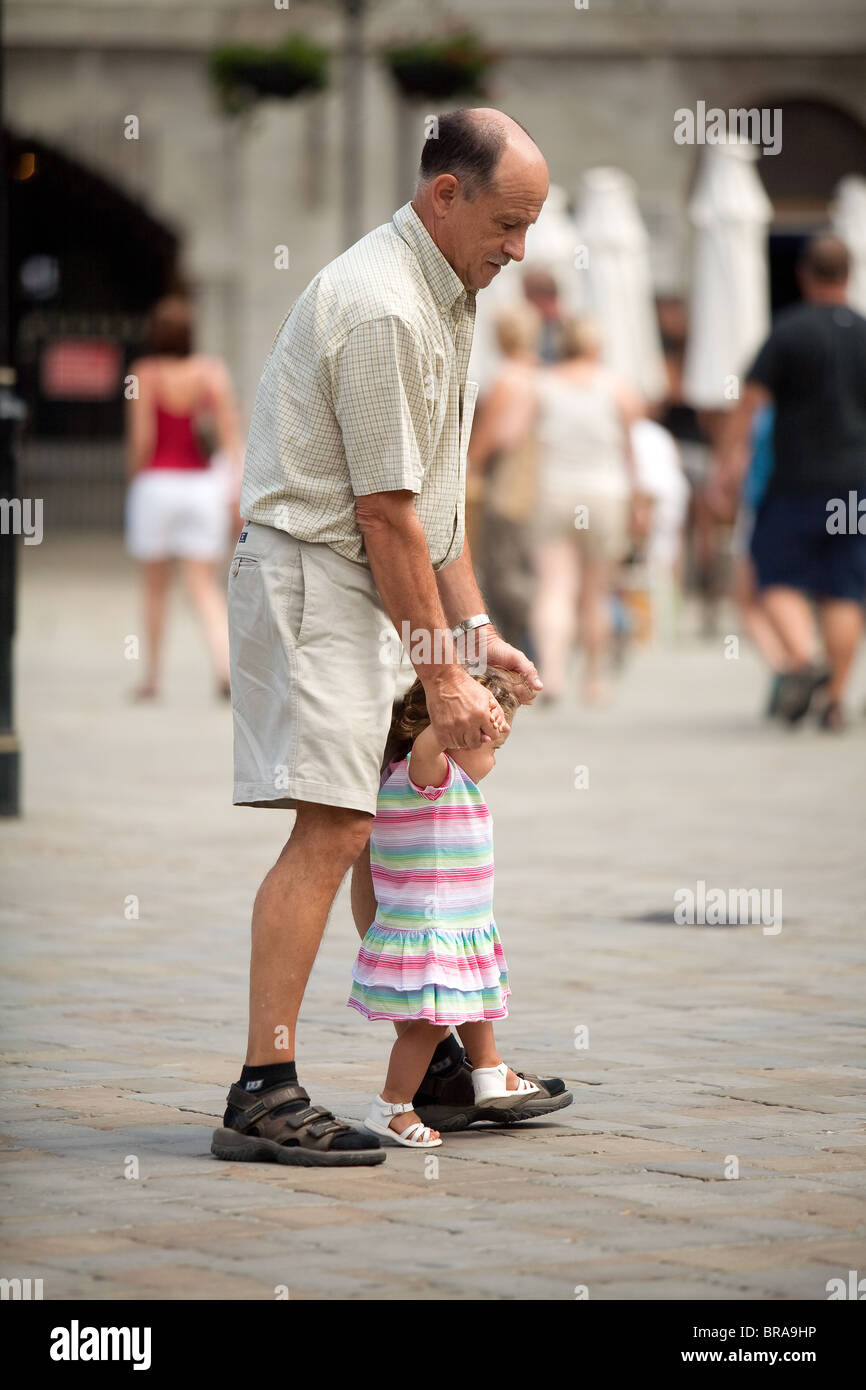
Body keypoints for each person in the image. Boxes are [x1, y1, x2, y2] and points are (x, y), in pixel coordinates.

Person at [212, 108, 564, 1169]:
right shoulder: (384, 308)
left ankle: (443, 1066)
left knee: (364, 823)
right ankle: (262, 1089)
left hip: (368, 574)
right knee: (331, 829)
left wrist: (474, 636)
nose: (519, 249)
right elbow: (381, 514)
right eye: (506, 223)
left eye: (530, 227)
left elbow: (431, 504)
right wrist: (439, 677)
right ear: (443, 195)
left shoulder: (440, 290)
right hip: (322, 578)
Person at [349, 666, 550, 1148]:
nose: (495, 760)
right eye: (491, 746)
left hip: (456, 930)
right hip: (430, 933)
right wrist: (459, 714)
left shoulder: (449, 778)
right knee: (426, 1028)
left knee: (473, 1000)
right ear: (458, 733)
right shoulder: (428, 774)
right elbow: (429, 743)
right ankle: (392, 1107)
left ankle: (488, 1070)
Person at [713, 234, 866, 730]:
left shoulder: (789, 332)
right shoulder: (864, 333)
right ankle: (838, 699)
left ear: (805, 273)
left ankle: (803, 659)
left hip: (796, 482)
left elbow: (750, 403)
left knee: (775, 574)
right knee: (845, 589)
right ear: (850, 273)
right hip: (855, 488)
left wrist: (726, 464)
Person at [124, 295, 244, 699]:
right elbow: (230, 441)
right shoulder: (211, 373)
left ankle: (153, 678)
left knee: (155, 587)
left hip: (156, 486)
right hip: (201, 489)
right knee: (203, 586)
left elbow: (143, 440)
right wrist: (234, 496)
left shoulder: (144, 374)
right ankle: (225, 667)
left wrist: (134, 481)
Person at [528, 315, 645, 705]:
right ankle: (595, 680)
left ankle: (553, 674)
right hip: (606, 494)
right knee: (596, 594)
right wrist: (639, 502)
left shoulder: (542, 384)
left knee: (554, 588)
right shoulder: (618, 387)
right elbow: (633, 449)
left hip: (554, 491)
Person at [467, 300, 542, 655]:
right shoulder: (538, 374)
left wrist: (471, 463)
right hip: (532, 485)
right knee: (520, 564)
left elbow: (500, 433)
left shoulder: (508, 379)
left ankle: (518, 641)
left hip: (507, 486)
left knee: (502, 570)